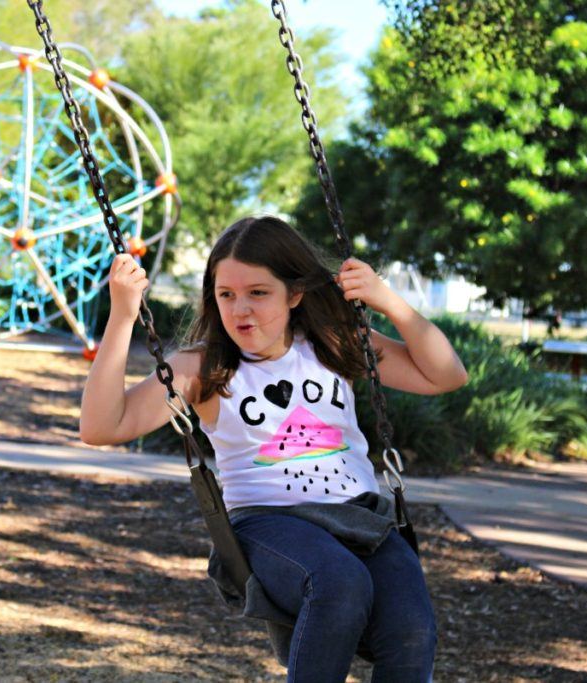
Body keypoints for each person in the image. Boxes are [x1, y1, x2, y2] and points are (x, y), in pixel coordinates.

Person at [80, 215, 468, 683]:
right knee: (339, 582)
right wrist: (123, 315)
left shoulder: (330, 345)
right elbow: (102, 426)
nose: (240, 309)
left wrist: (389, 302)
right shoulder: (205, 367)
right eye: (227, 295)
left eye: (258, 293)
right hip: (269, 523)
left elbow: (447, 376)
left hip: (362, 516)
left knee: (411, 627)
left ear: (295, 294)